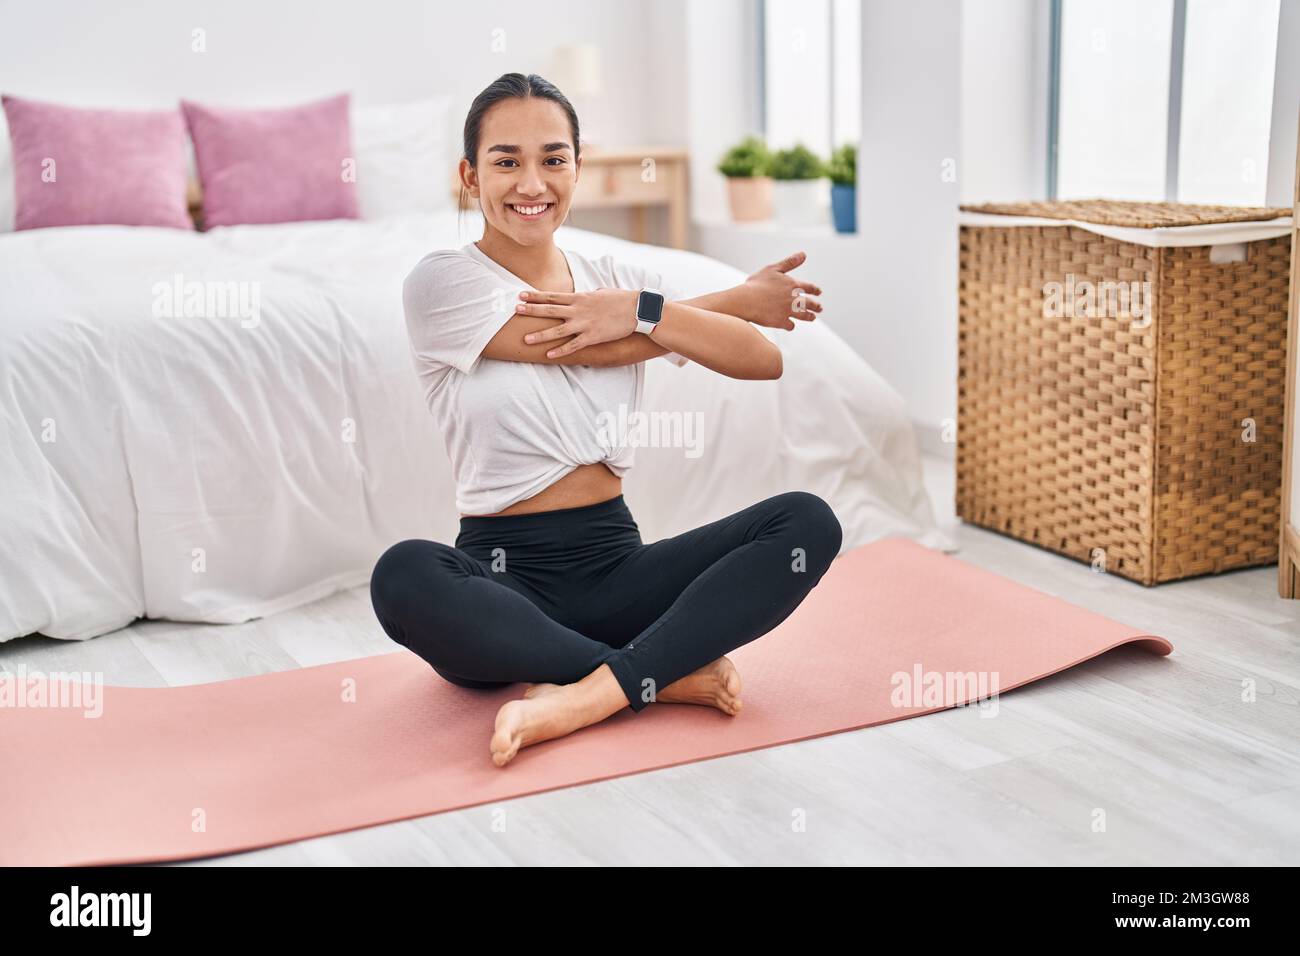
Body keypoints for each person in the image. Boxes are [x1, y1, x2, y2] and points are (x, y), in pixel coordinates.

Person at [370, 72, 841, 767]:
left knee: (807, 522)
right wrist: (729, 299)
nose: (532, 183)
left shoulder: (613, 272)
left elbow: (760, 360)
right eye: (507, 161)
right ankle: (659, 674)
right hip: (504, 585)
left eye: (553, 159)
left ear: (578, 168)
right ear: (469, 176)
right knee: (403, 576)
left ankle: (590, 693)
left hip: (618, 570)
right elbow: (574, 345)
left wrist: (645, 308)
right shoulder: (441, 282)